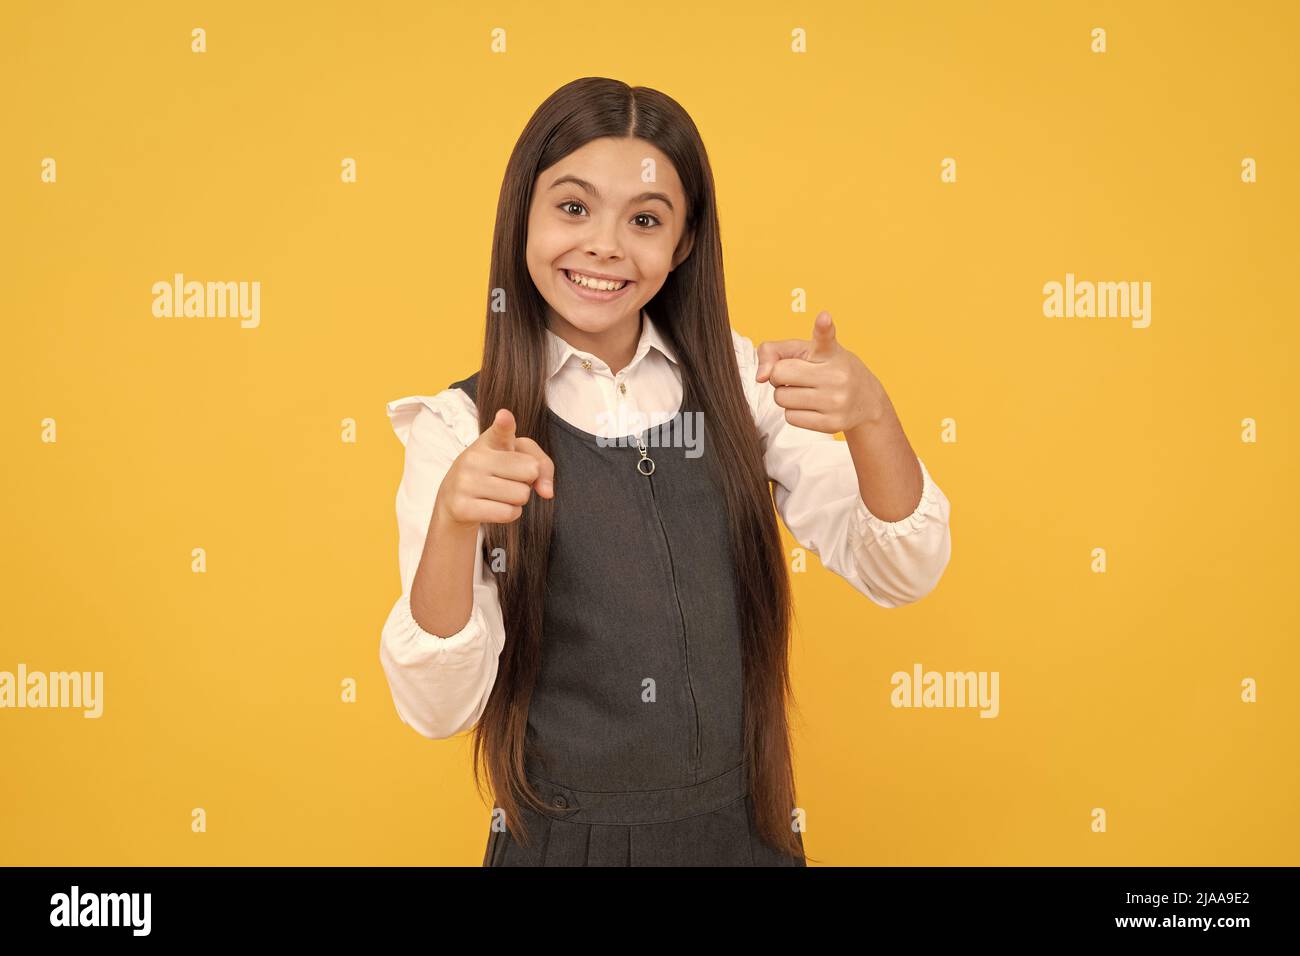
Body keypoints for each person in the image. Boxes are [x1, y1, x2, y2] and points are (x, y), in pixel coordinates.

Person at [380, 77, 953, 866]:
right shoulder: (457, 427)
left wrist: (873, 417)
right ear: (522, 217)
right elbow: (438, 708)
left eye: (645, 219)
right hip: (562, 845)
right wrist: (452, 523)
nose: (605, 246)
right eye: (573, 207)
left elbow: (904, 570)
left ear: (683, 244)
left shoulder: (741, 383)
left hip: (743, 836)